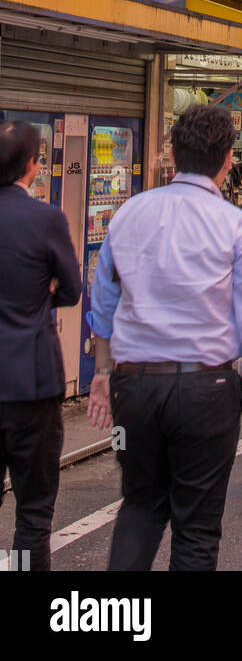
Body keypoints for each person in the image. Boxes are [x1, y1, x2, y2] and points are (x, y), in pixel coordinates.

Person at [87, 104, 242, 571]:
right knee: (196, 527)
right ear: (228, 158)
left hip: (133, 385)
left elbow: (104, 305)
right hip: (206, 389)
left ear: (172, 155)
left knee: (139, 504)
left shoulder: (127, 214)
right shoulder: (235, 225)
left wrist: (101, 374)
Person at [0, 120, 82, 571]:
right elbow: (71, 290)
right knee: (33, 511)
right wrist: (42, 294)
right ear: (33, 165)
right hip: (31, 381)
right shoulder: (44, 218)